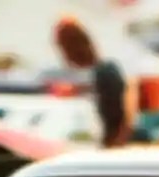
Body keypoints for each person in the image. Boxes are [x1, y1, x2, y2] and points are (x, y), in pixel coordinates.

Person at [54, 17, 137, 148]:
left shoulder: (107, 70)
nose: (64, 53)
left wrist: (117, 141)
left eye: (64, 46)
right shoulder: (101, 70)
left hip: (120, 143)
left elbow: (126, 107)